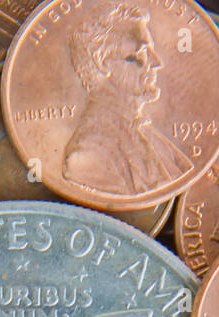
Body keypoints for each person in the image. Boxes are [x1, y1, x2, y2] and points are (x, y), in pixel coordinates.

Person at [62, 3, 192, 196]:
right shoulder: (88, 154)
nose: (157, 63)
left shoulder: (150, 135)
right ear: (103, 63)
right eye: (142, 52)